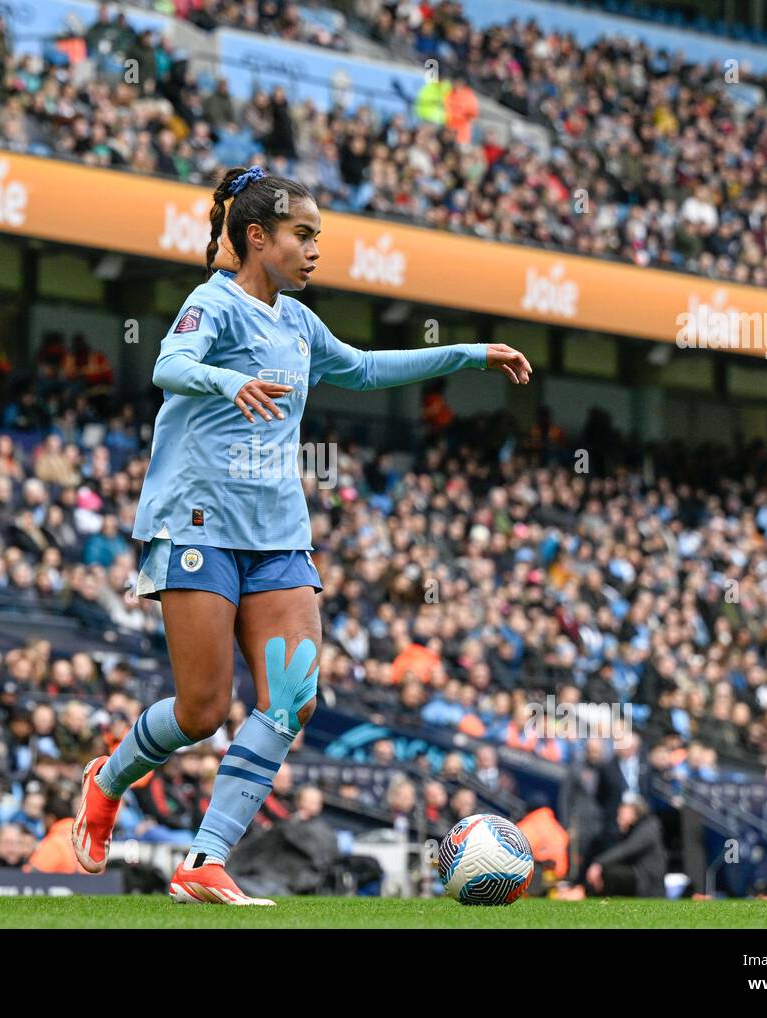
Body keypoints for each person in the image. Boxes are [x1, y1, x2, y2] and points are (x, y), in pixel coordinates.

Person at [71, 163, 532, 905]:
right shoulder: (212, 302)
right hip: (198, 521)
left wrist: (470, 354)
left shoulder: (299, 322)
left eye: (319, 236)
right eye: (303, 235)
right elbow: (169, 364)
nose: (316, 249)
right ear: (258, 237)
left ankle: (204, 860)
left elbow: (366, 368)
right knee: (202, 710)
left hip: (278, 532)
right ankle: (108, 779)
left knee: (294, 696)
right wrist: (230, 382)